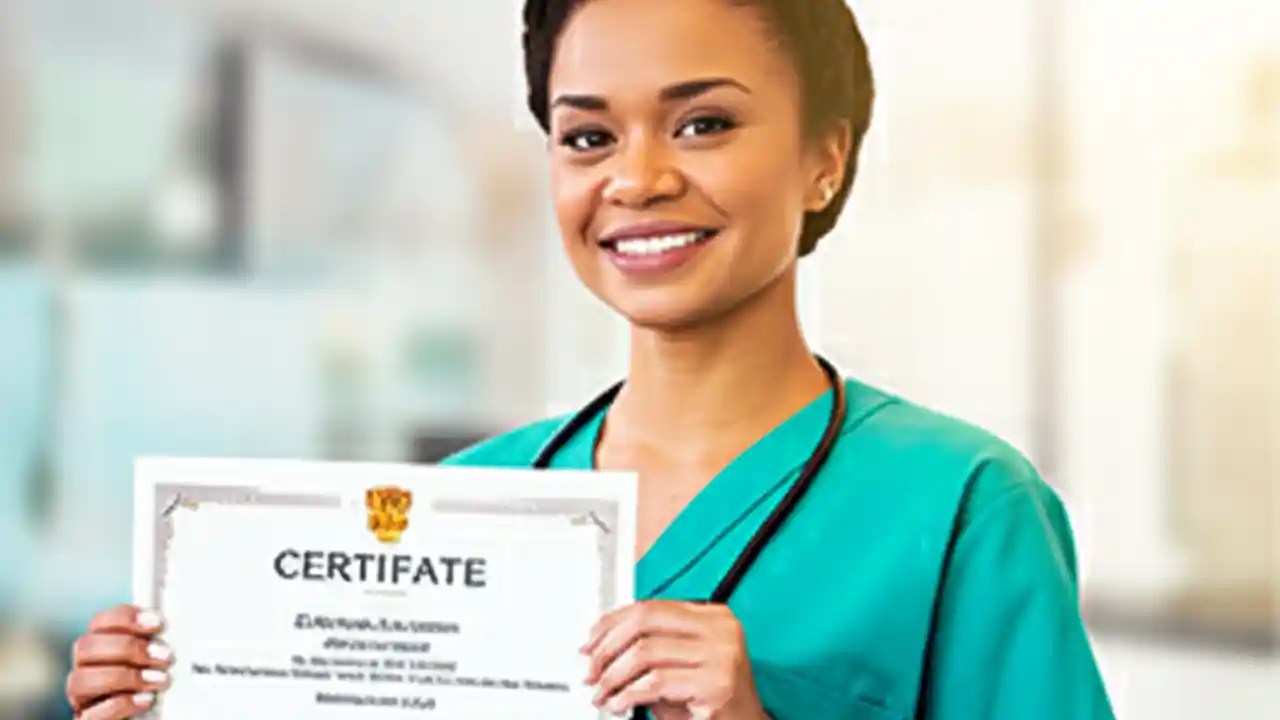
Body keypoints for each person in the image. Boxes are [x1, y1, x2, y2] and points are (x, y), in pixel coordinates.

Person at [63, 0, 1117, 718]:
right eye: (587, 138)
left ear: (822, 157)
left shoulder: (960, 507)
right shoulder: (462, 501)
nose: (637, 179)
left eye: (702, 123)